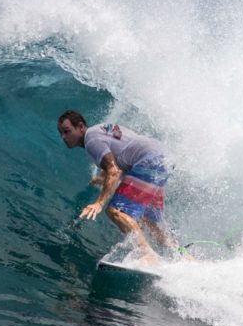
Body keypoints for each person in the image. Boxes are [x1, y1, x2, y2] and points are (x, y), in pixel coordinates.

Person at [59, 109, 177, 260]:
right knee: (148, 219)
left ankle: (147, 254)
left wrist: (99, 203)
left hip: (148, 159)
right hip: (163, 158)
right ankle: (180, 253)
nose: (64, 137)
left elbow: (113, 170)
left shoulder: (90, 141)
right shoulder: (99, 131)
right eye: (61, 133)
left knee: (116, 211)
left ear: (81, 126)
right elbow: (119, 157)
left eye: (67, 131)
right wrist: (102, 177)